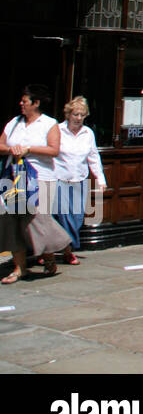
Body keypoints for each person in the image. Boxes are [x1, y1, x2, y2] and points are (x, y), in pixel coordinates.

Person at [2, 84, 73, 281]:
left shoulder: (49, 124)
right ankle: (19, 268)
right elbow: (1, 144)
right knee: (12, 222)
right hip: (14, 178)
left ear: (36, 103)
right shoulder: (13, 123)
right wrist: (11, 150)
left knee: (35, 220)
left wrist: (28, 149)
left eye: (25, 101)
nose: (21, 104)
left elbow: (54, 150)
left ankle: (53, 251)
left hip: (40, 178)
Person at [52, 97, 106, 263]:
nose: (78, 118)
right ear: (68, 114)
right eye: (75, 114)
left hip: (80, 180)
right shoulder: (57, 130)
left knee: (76, 217)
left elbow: (93, 157)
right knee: (62, 217)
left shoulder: (88, 133)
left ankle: (57, 249)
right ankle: (67, 252)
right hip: (60, 179)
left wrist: (100, 178)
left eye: (82, 114)